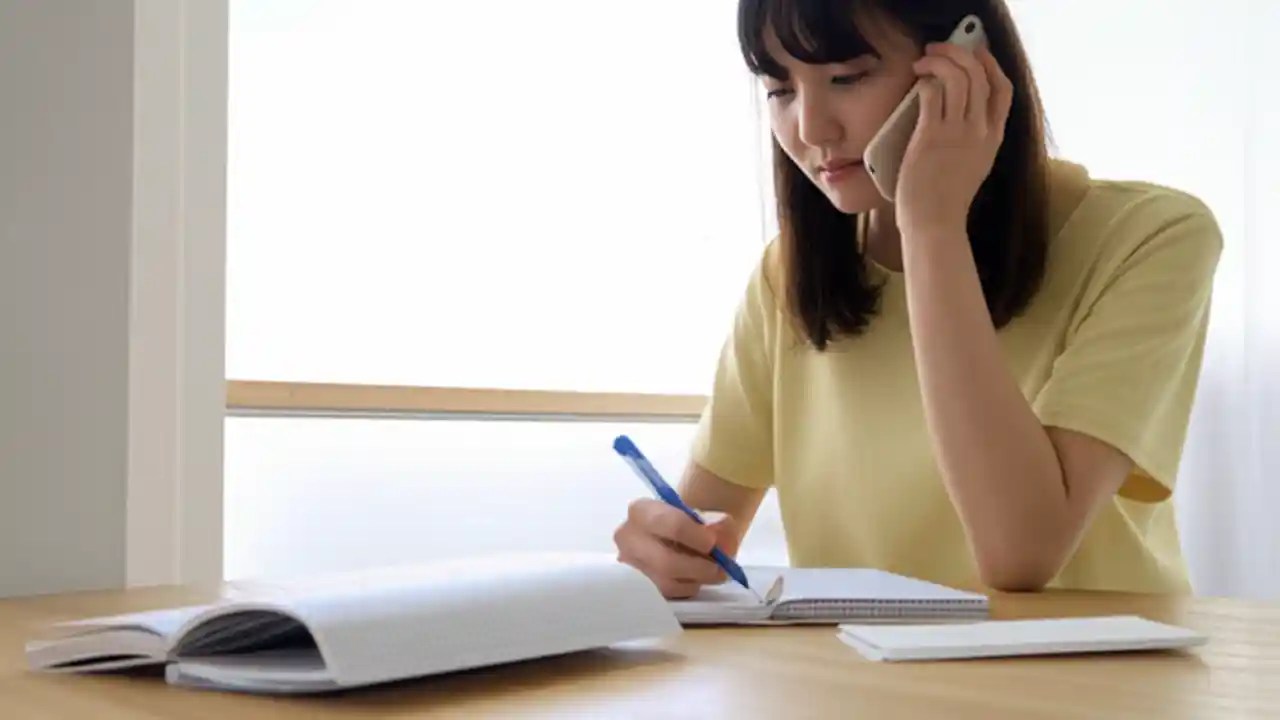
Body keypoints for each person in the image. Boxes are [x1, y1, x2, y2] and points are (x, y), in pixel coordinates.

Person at [613, 0, 1222, 598]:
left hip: (1088, 691)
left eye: (846, 77)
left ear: (967, 61)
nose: (809, 128)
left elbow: (1020, 554)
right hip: (865, 690)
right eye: (779, 89)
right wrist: (665, 554)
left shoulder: (1151, 237)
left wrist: (931, 228)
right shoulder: (787, 277)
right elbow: (701, 529)